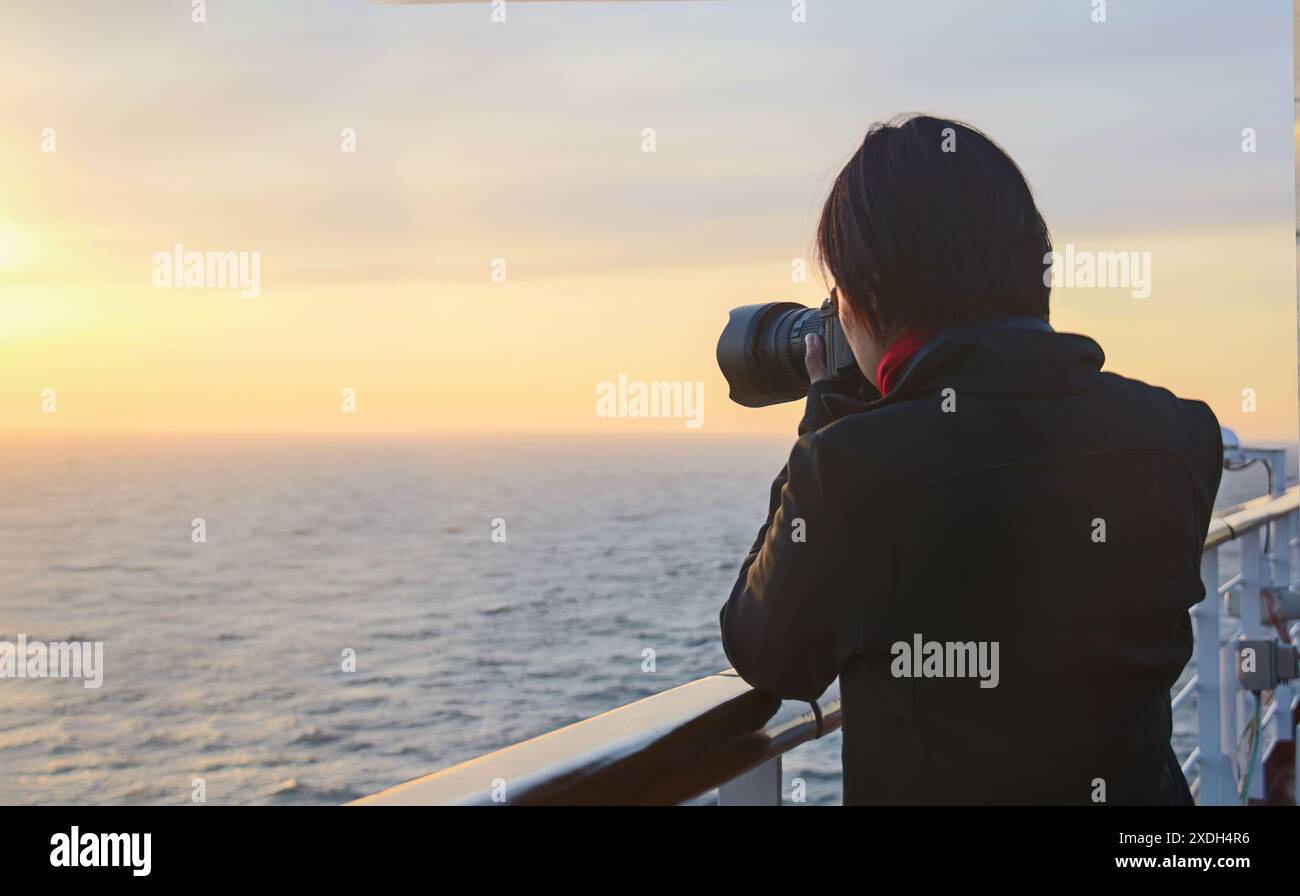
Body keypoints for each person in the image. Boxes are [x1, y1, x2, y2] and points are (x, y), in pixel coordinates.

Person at [718, 115, 1223, 805]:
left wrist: (827, 410)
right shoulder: (1177, 434)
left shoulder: (854, 469)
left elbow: (769, 653)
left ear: (866, 293)